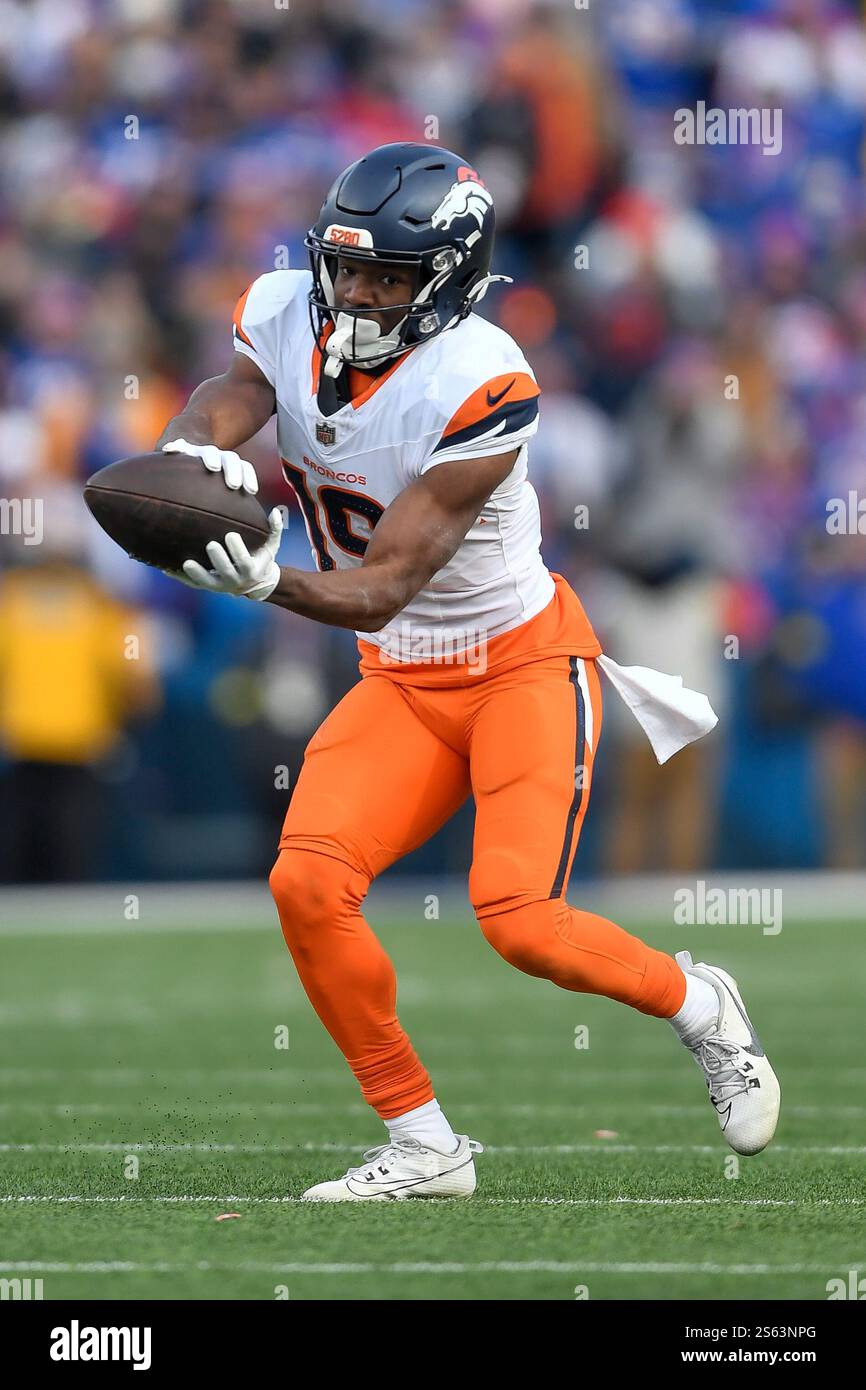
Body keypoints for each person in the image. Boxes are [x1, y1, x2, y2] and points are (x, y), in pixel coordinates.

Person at [155, 143, 779, 1200]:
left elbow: (383, 580)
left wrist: (266, 582)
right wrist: (186, 458)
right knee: (307, 882)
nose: (356, 292)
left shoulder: (480, 376)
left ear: (441, 283)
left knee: (517, 919)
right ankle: (423, 1143)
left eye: (386, 277)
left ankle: (696, 1000)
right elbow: (231, 392)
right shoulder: (279, 309)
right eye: (346, 268)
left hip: (518, 668)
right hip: (399, 678)